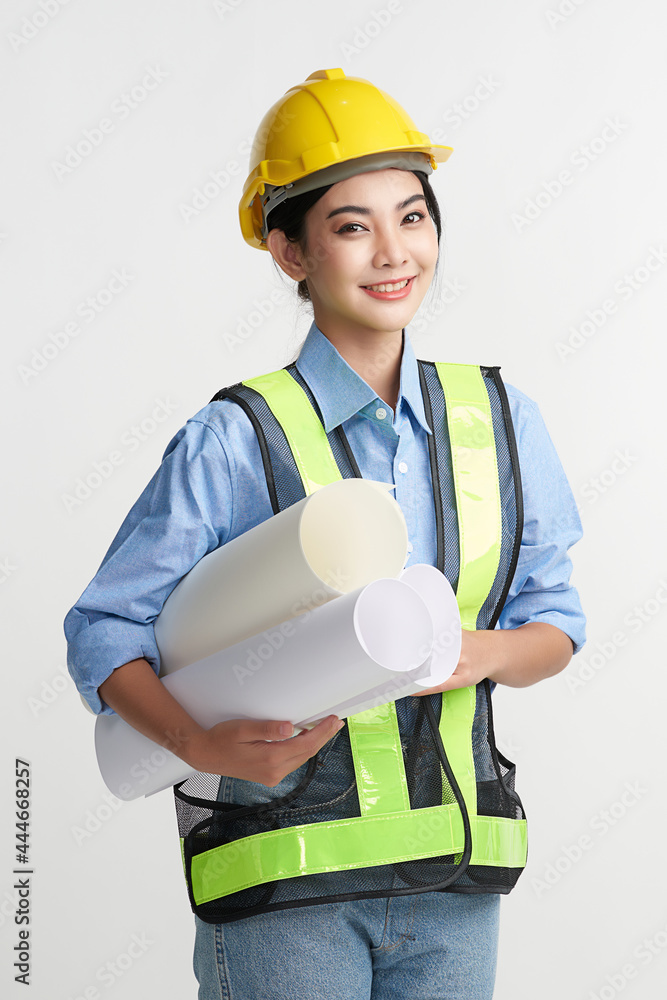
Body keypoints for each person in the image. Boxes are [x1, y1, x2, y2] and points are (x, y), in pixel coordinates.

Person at [65, 68, 586, 999]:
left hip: (454, 883)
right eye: (351, 226)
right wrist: (199, 745)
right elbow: (103, 629)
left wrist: (475, 652)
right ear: (288, 252)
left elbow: (556, 623)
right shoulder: (236, 436)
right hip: (285, 885)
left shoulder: (498, 419)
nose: (393, 252)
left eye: (412, 217)